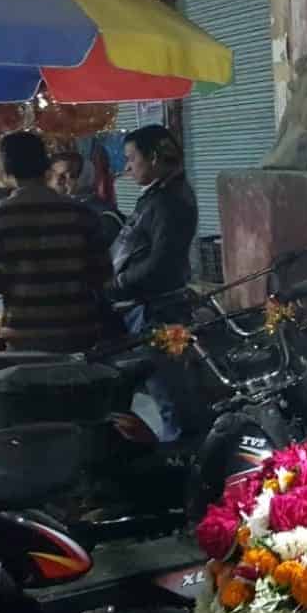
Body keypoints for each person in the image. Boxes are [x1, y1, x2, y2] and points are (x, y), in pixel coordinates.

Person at [0, 131, 111, 352]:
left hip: (23, 332)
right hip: (79, 330)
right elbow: (102, 273)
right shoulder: (82, 213)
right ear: (45, 165)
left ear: (6, 168)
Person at [111, 125, 199, 441]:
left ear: (154, 157)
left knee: (169, 388)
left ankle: (183, 458)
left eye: (132, 158)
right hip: (154, 307)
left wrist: (119, 282)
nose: (128, 167)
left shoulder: (169, 202)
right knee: (164, 384)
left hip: (161, 310)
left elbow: (162, 263)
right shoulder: (161, 195)